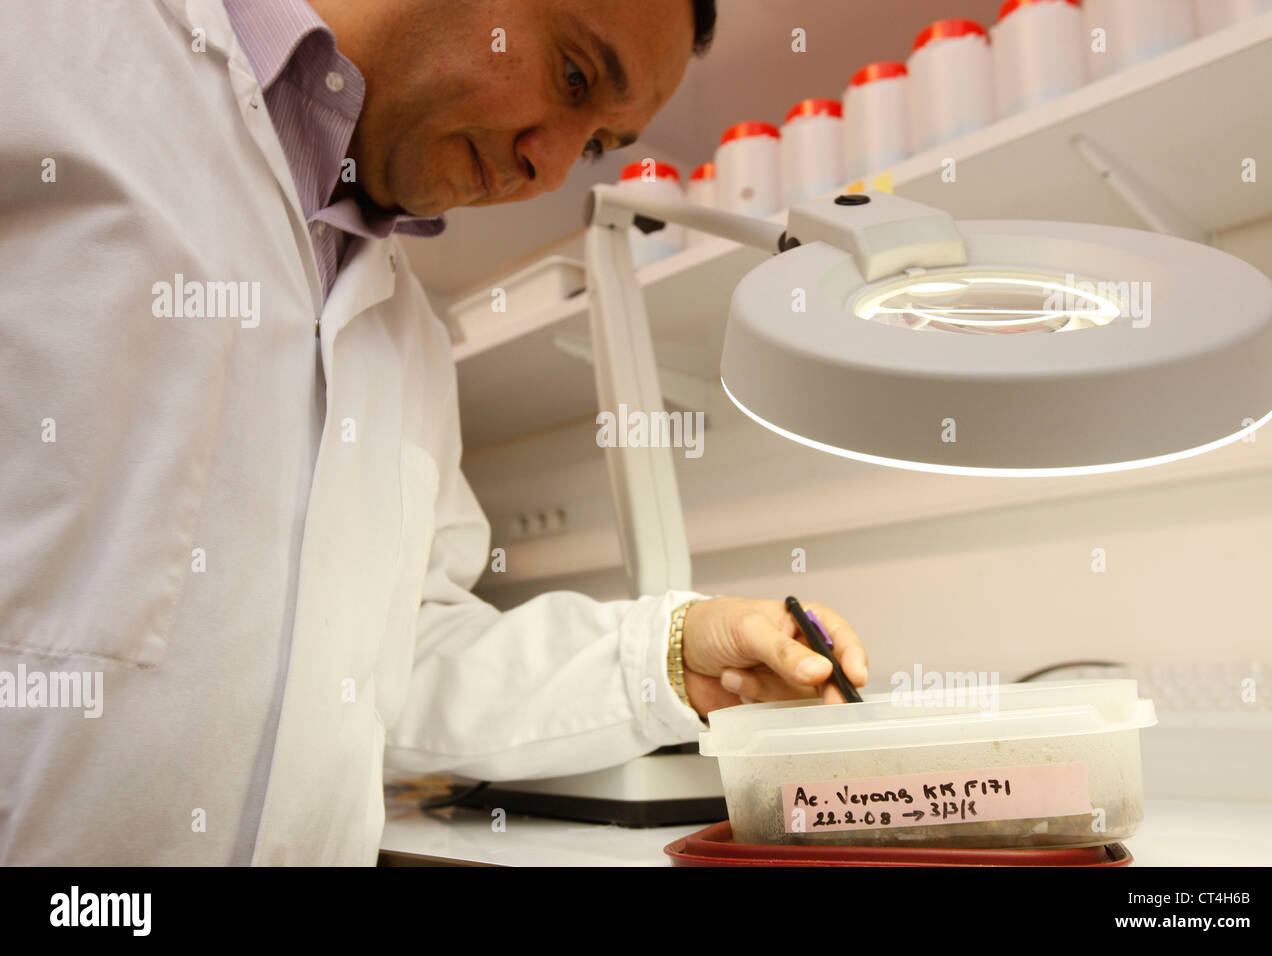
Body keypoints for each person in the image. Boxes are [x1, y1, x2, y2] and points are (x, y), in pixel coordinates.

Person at [0, 0, 868, 865]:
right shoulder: (52, 47)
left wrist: (674, 655)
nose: (554, 165)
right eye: (573, 75)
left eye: (600, 143)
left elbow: (402, 660)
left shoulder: (410, 337)